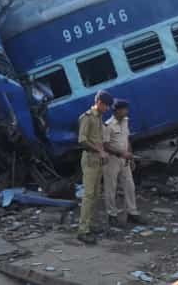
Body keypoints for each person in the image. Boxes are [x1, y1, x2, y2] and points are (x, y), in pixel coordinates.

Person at [76, 90, 113, 245]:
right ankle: (82, 230)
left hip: (97, 159)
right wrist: (99, 151)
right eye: (106, 106)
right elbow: (82, 140)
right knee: (89, 195)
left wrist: (102, 152)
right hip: (90, 159)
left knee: (96, 194)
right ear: (99, 103)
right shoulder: (87, 117)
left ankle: (90, 224)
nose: (108, 109)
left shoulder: (98, 118)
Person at [102, 99, 145, 228]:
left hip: (125, 159)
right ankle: (112, 216)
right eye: (124, 109)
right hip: (111, 160)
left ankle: (132, 213)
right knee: (111, 188)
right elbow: (105, 146)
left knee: (130, 186)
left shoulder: (125, 121)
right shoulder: (108, 125)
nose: (127, 111)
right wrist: (121, 153)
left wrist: (130, 157)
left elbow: (127, 139)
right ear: (117, 111)